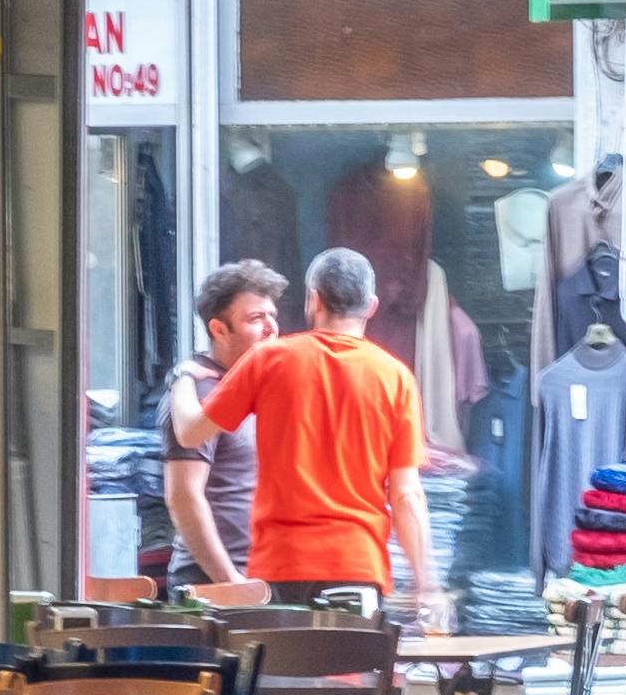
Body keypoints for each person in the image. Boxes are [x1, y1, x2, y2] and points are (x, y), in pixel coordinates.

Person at [190, 245, 443, 615]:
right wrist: (428, 585)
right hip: (357, 567)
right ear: (371, 306)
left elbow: (192, 434)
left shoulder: (267, 360)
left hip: (279, 568)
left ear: (314, 300)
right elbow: (406, 496)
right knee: (352, 672)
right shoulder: (396, 378)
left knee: (281, 672)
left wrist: (183, 379)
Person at [155, 257, 284, 593]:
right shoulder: (198, 390)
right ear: (218, 329)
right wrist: (230, 583)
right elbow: (183, 495)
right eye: (257, 318)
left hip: (260, 576)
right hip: (212, 585)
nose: (271, 327)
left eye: (273, 315)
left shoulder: (257, 387)